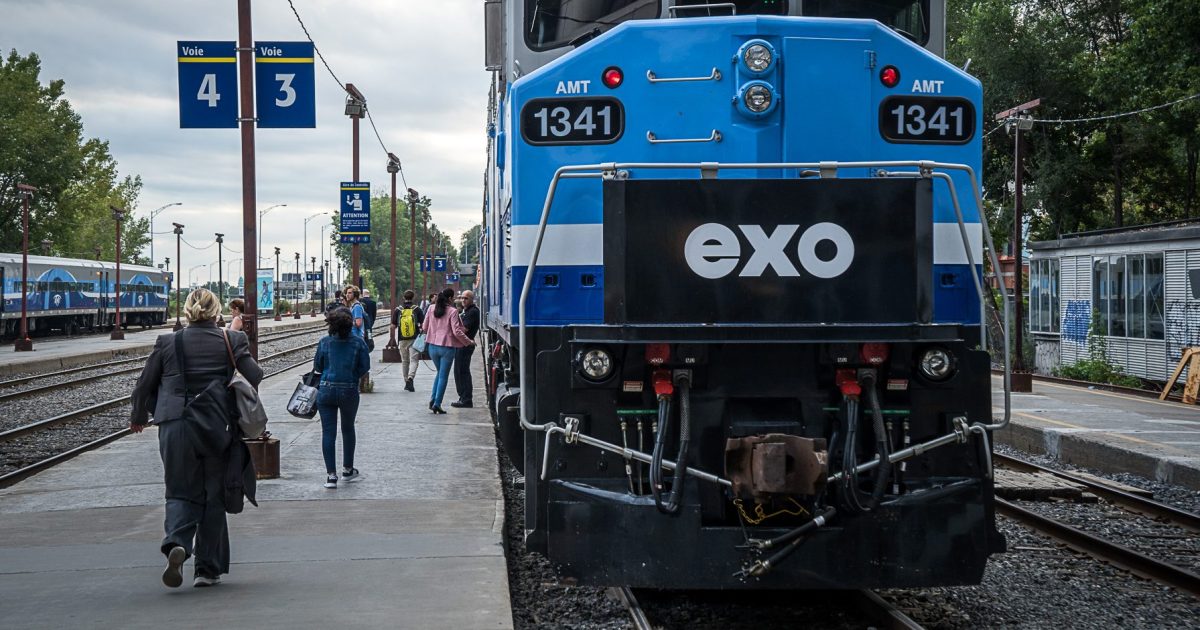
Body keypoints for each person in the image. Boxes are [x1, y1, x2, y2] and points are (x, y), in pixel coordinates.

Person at [129, 288, 263, 589]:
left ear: (188, 312)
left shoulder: (167, 342)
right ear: (217, 312)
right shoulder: (233, 339)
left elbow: (143, 386)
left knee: (179, 489)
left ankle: (177, 543)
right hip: (217, 426)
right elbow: (254, 375)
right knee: (213, 493)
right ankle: (207, 569)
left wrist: (139, 417)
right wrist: (235, 336)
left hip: (175, 425)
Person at [312, 308, 371, 488]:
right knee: (348, 428)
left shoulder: (324, 342)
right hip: (349, 390)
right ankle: (347, 469)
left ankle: (331, 476)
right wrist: (352, 377)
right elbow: (364, 367)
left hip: (326, 390)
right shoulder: (358, 342)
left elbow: (318, 366)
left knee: (328, 432)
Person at [422, 287, 474, 414]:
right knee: (443, 376)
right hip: (447, 348)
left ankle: (433, 399)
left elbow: (424, 327)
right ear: (450, 298)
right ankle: (437, 404)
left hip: (432, 347)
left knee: (439, 373)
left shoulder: (430, 308)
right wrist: (468, 342)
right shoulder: (452, 311)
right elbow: (457, 331)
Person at [451, 290, 481, 408]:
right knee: (459, 371)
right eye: (462, 298)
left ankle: (466, 399)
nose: (463, 300)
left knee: (462, 372)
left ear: (471, 299)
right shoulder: (466, 311)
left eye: (466, 298)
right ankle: (463, 397)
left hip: (465, 345)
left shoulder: (472, 312)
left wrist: (454, 329)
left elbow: (463, 330)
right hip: (462, 344)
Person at [391, 289, 424, 392]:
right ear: (413, 297)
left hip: (402, 339)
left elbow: (393, 326)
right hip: (414, 338)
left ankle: (406, 382)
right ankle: (410, 378)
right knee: (414, 360)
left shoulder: (398, 310)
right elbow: (423, 325)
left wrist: (392, 338)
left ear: (403, 297)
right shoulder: (417, 309)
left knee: (405, 361)